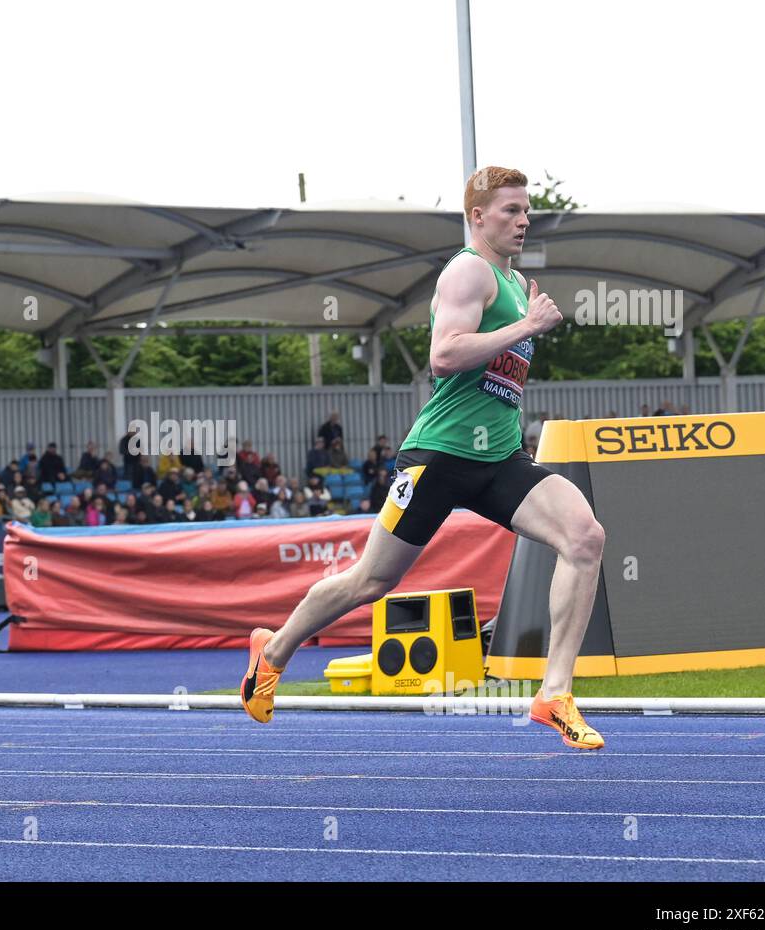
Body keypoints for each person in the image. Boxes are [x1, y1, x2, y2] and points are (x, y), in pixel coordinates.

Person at [240, 166, 608, 750]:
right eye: (511, 210)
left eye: (527, 209)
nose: (524, 220)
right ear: (478, 216)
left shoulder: (516, 285)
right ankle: (274, 650)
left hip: (499, 460)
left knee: (585, 537)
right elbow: (444, 355)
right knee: (372, 580)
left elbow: (497, 378)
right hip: (437, 456)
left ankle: (553, 694)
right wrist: (525, 327)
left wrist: (522, 325)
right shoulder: (468, 270)